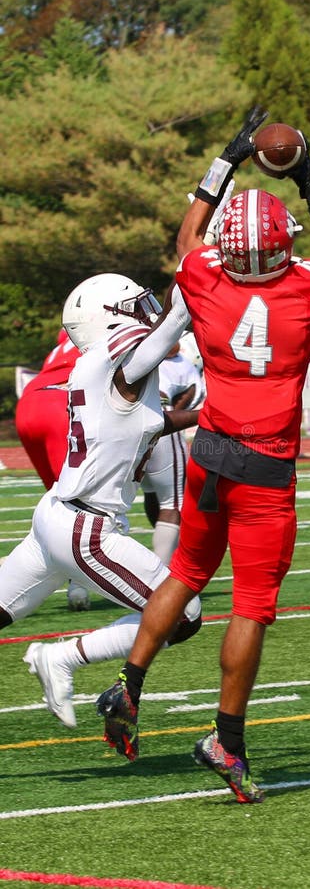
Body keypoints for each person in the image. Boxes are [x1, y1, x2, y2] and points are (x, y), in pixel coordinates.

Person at [96, 108, 310, 804]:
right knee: (252, 606)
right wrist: (309, 176)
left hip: (209, 451)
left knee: (185, 571)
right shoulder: (307, 290)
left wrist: (227, 160)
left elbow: (187, 238)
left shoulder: (205, 278)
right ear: (277, 249)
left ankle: (130, 682)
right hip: (266, 472)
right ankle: (225, 742)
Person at [1, 272, 203, 726]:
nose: (145, 311)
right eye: (134, 305)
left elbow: (142, 422)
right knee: (183, 614)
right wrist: (199, 271)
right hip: (85, 531)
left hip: (55, 515)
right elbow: (174, 321)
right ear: (109, 317)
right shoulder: (119, 361)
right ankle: (63, 657)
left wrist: (209, 414)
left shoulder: (97, 368)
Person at [15, 330, 91, 611]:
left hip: (29, 403)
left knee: (55, 497)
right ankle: (78, 582)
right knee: (76, 499)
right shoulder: (111, 332)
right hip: (59, 404)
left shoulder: (63, 345)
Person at [142, 343, 204, 565]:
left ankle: (81, 584)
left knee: (143, 493)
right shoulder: (185, 366)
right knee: (174, 501)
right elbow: (179, 410)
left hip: (120, 417)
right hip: (158, 414)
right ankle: (162, 573)